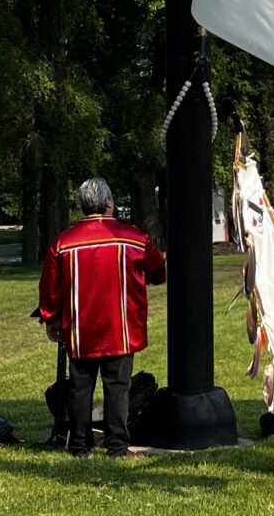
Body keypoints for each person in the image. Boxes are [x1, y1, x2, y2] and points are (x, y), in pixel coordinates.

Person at [38, 178, 166, 458]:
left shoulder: (63, 243)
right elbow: (158, 269)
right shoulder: (132, 237)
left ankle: (79, 445)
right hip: (120, 328)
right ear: (109, 202)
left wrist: (50, 318)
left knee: (80, 388)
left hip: (81, 330)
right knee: (118, 388)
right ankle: (117, 446)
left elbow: (50, 287)